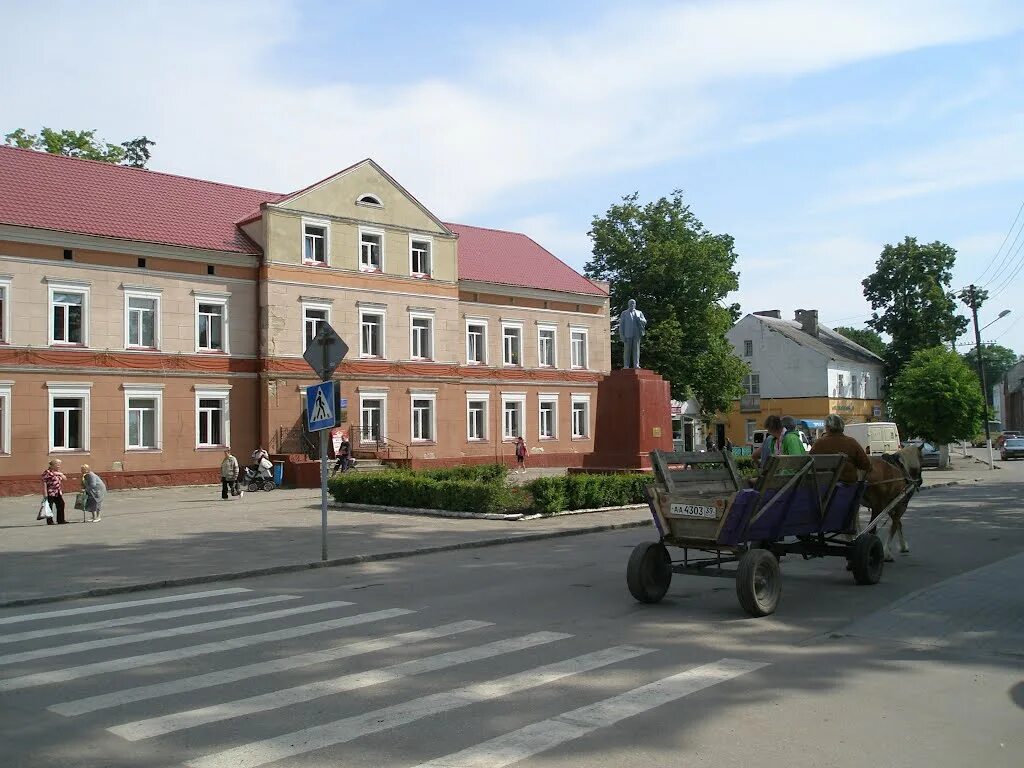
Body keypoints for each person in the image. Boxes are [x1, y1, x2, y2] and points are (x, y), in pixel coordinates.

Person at [809, 414, 871, 484]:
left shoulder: (819, 443)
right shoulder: (851, 442)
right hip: (847, 487)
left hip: (823, 487)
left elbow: (809, 464)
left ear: (827, 427)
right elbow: (866, 465)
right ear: (842, 427)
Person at [618, 299, 648, 369]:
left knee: (636, 350)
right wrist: (622, 335)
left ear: (635, 304)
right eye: (631, 303)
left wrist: (639, 319)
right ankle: (626, 365)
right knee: (627, 350)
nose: (632, 304)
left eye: (633, 303)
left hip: (637, 334)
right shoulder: (624, 313)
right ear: (628, 304)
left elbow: (645, 321)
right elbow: (621, 325)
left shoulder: (639, 312)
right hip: (627, 334)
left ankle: (636, 364)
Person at [41, 458, 68, 525]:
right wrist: (45, 493)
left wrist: (60, 474)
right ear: (53, 465)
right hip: (50, 492)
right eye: (58, 465)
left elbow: (65, 479)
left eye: (59, 465)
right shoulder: (47, 472)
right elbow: (44, 483)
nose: (59, 466)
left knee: (61, 504)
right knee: (49, 506)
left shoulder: (58, 472)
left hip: (58, 492)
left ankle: (61, 520)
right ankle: (50, 521)